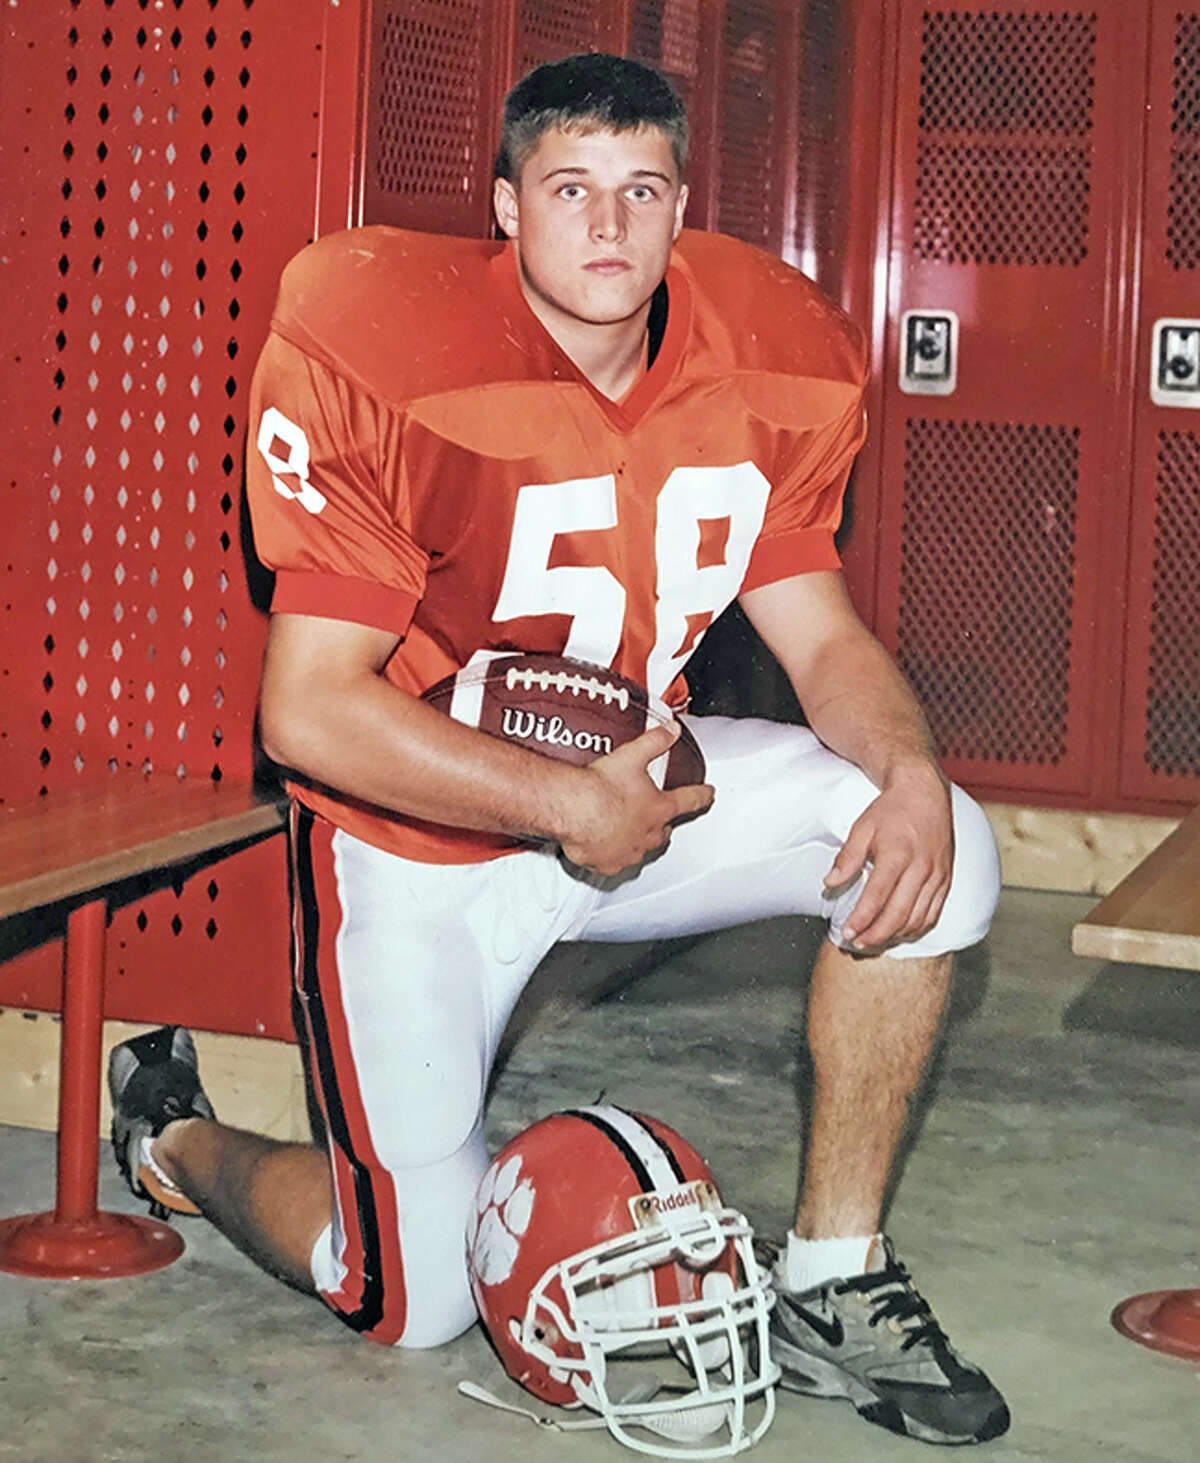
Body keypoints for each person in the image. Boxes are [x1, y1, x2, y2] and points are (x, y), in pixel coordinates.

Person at [108, 53, 1008, 1446]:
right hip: (425, 843)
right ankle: (175, 1136)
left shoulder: (770, 352)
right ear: (506, 207)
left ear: (682, 206)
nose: (608, 226)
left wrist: (909, 772)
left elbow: (824, 641)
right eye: (571, 189)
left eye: (640, 191)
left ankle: (833, 1275)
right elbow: (309, 711)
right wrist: (559, 805)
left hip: (634, 799)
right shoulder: (381, 346)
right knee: (407, 1296)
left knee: (937, 850)